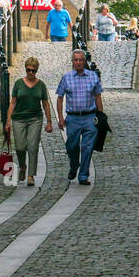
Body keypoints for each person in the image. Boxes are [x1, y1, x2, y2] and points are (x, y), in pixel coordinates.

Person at [55, 48, 103, 186]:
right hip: (73, 118)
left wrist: (100, 116)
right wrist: (60, 118)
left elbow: (98, 97)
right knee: (72, 146)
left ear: (84, 61)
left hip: (89, 117)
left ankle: (83, 175)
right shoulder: (66, 77)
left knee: (87, 147)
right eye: (75, 60)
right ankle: (74, 165)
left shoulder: (93, 76)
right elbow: (59, 98)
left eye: (80, 60)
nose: (78, 62)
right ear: (72, 62)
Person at [4, 56, 53, 186]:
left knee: (32, 146)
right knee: (20, 147)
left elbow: (46, 104)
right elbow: (13, 102)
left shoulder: (41, 85)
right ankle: (22, 166)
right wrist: (8, 120)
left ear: (37, 70)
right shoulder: (19, 84)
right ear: (25, 70)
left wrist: (49, 122)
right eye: (28, 70)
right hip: (18, 119)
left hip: (35, 119)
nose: (31, 73)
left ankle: (31, 175)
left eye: (33, 71)